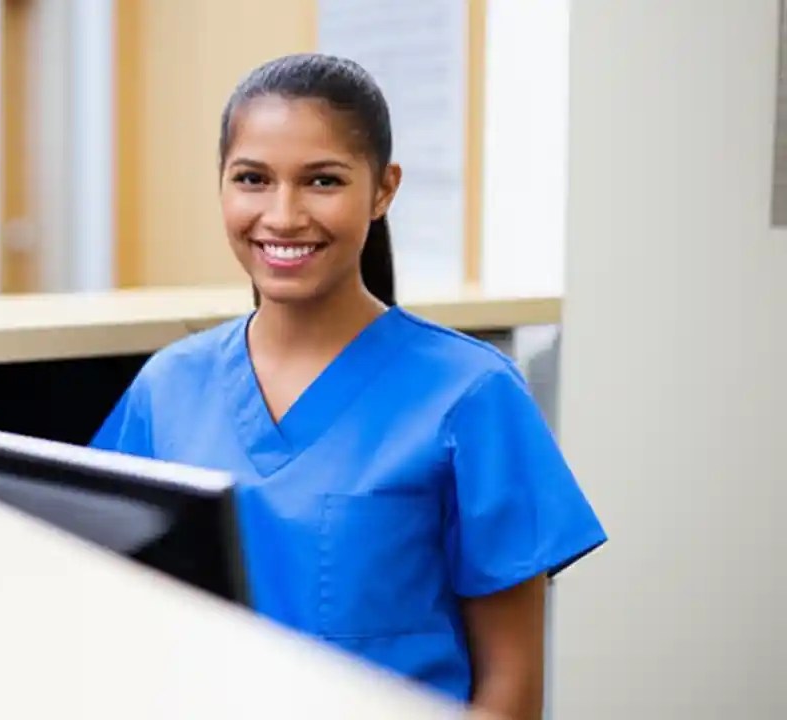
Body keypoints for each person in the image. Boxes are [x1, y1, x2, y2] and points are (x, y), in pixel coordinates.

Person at [90, 53, 606, 718]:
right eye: (252, 178)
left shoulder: (470, 395)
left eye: (322, 181)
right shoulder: (168, 389)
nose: (283, 214)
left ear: (383, 190)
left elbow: (512, 690)